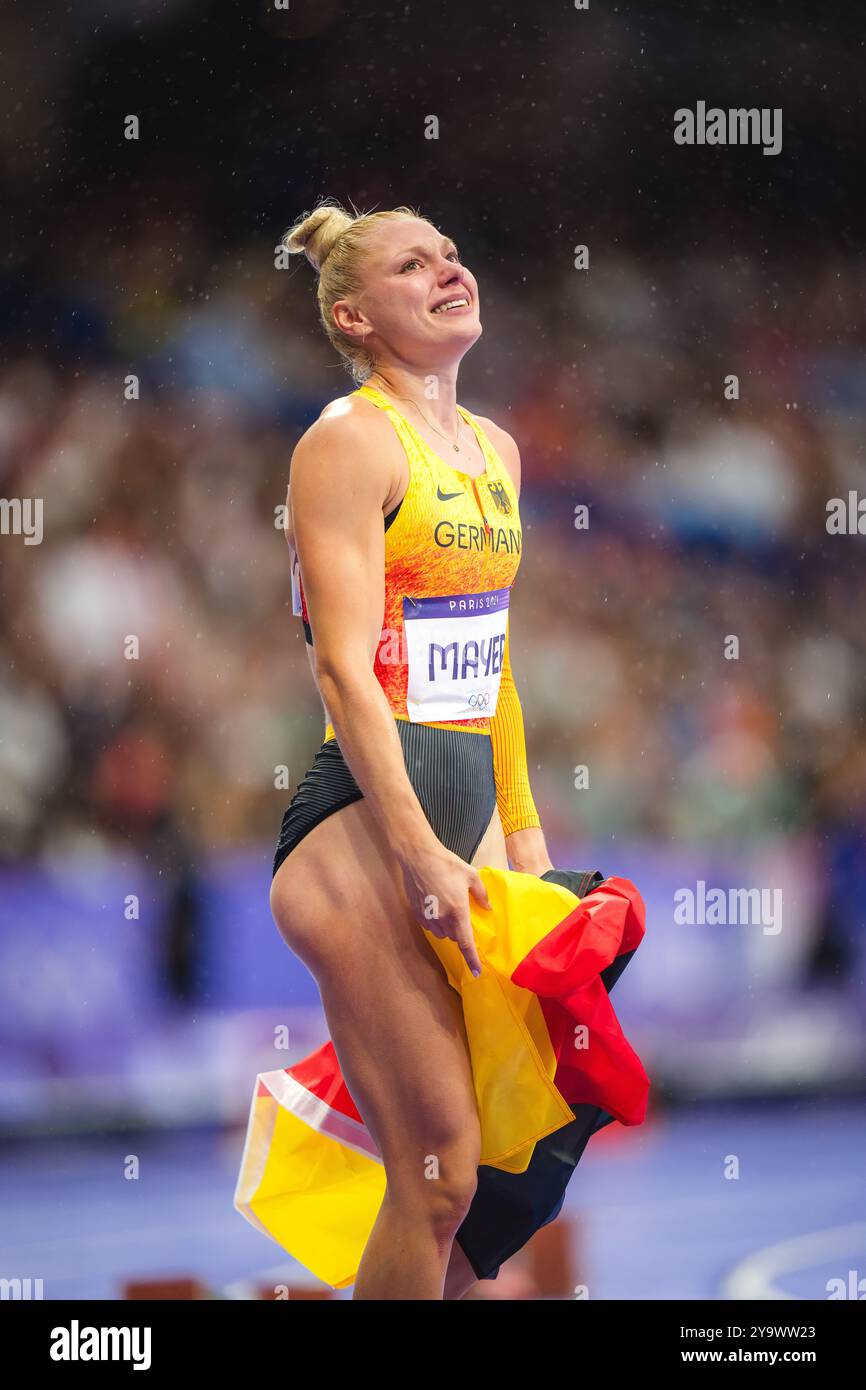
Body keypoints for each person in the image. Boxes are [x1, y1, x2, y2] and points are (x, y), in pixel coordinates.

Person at [270, 198, 559, 1300]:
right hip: (362, 832)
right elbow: (344, 670)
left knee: (478, 1171)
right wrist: (418, 852)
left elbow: (493, 669)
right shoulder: (345, 442)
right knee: (435, 1174)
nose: (448, 268)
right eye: (410, 264)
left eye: (450, 250)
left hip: (463, 816)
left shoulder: (496, 450)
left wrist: (521, 844)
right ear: (352, 314)